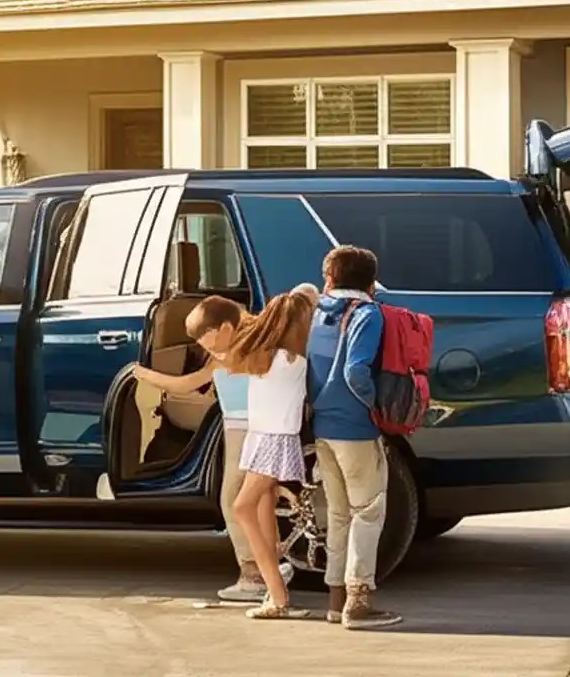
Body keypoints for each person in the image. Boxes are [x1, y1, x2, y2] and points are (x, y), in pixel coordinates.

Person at [131, 296, 292, 603]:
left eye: (208, 338)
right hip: (251, 428)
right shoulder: (254, 348)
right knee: (256, 502)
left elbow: (187, 384)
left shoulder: (232, 356)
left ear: (227, 327)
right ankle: (267, 567)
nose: (206, 347)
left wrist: (143, 374)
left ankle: (254, 574)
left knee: (233, 500)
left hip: (244, 432)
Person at [307, 245, 403, 630]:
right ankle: (359, 602)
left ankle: (335, 600)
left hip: (323, 428)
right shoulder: (367, 314)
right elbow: (356, 370)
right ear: (371, 281)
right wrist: (375, 407)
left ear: (329, 278)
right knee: (369, 511)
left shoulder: (316, 313)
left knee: (339, 514)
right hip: (355, 427)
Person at [223, 290, 318, 619]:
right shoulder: (291, 358)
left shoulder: (281, 360)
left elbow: (233, 359)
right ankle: (276, 586)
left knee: (242, 507)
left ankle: (275, 593)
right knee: (261, 510)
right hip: (266, 437)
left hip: (271, 440)